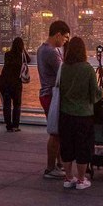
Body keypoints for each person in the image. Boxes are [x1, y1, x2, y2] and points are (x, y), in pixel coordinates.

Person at [56, 35, 102, 190]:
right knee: (83, 147)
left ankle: (68, 178)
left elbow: (59, 89)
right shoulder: (87, 68)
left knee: (67, 146)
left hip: (65, 113)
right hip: (83, 115)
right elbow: (94, 94)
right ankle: (81, 180)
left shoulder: (63, 68)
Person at [37, 21, 69, 177]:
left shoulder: (41, 49)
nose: (65, 41)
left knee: (57, 131)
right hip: (52, 95)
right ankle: (50, 168)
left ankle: (59, 164)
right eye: (65, 38)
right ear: (58, 34)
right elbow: (63, 72)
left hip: (45, 93)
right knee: (56, 133)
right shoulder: (51, 52)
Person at [0, 36, 28, 132]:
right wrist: (24, 50)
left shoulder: (7, 54)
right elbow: (29, 60)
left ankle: (8, 125)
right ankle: (15, 125)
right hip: (16, 83)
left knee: (6, 104)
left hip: (4, 82)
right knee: (17, 104)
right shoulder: (21, 56)